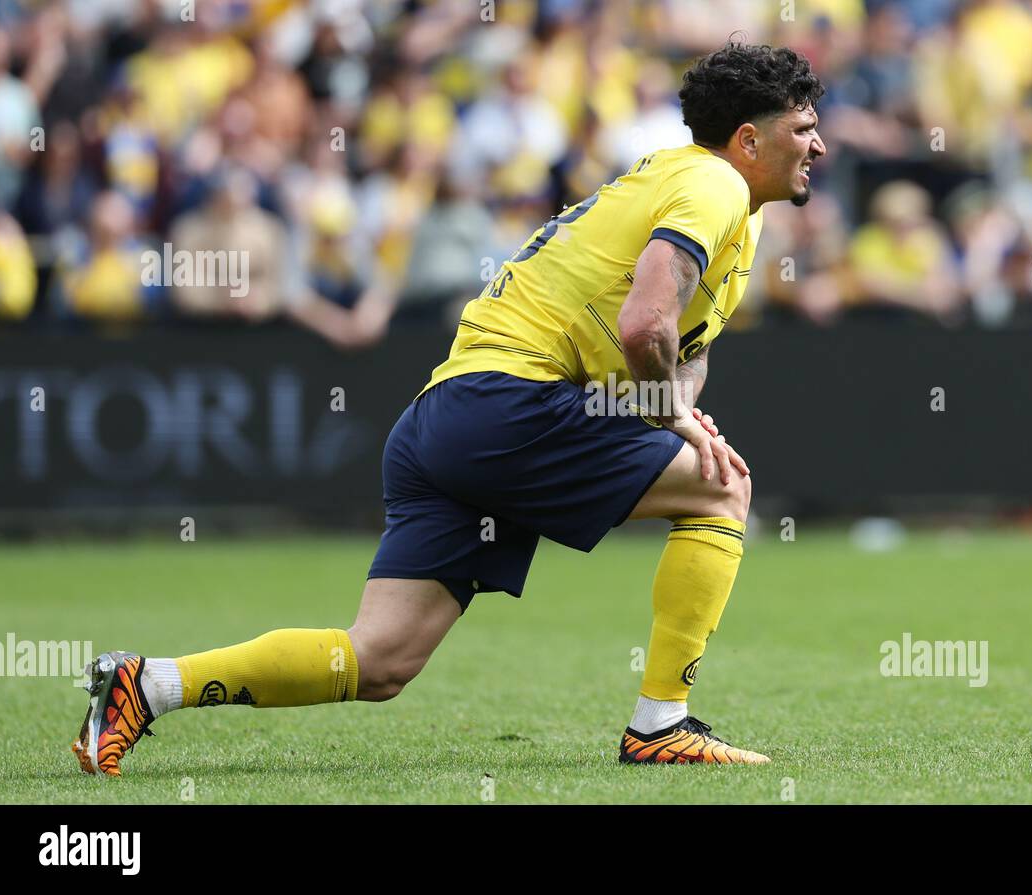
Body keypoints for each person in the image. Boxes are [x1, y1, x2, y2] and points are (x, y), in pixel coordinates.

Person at [72, 41, 826, 774]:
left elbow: (681, 340)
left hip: (448, 415)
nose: (819, 144)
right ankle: (661, 725)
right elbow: (643, 325)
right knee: (723, 486)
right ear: (749, 138)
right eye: (804, 127)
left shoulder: (722, 201)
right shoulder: (714, 187)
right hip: (512, 405)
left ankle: (149, 684)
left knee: (380, 658)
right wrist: (674, 418)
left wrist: (680, 401)